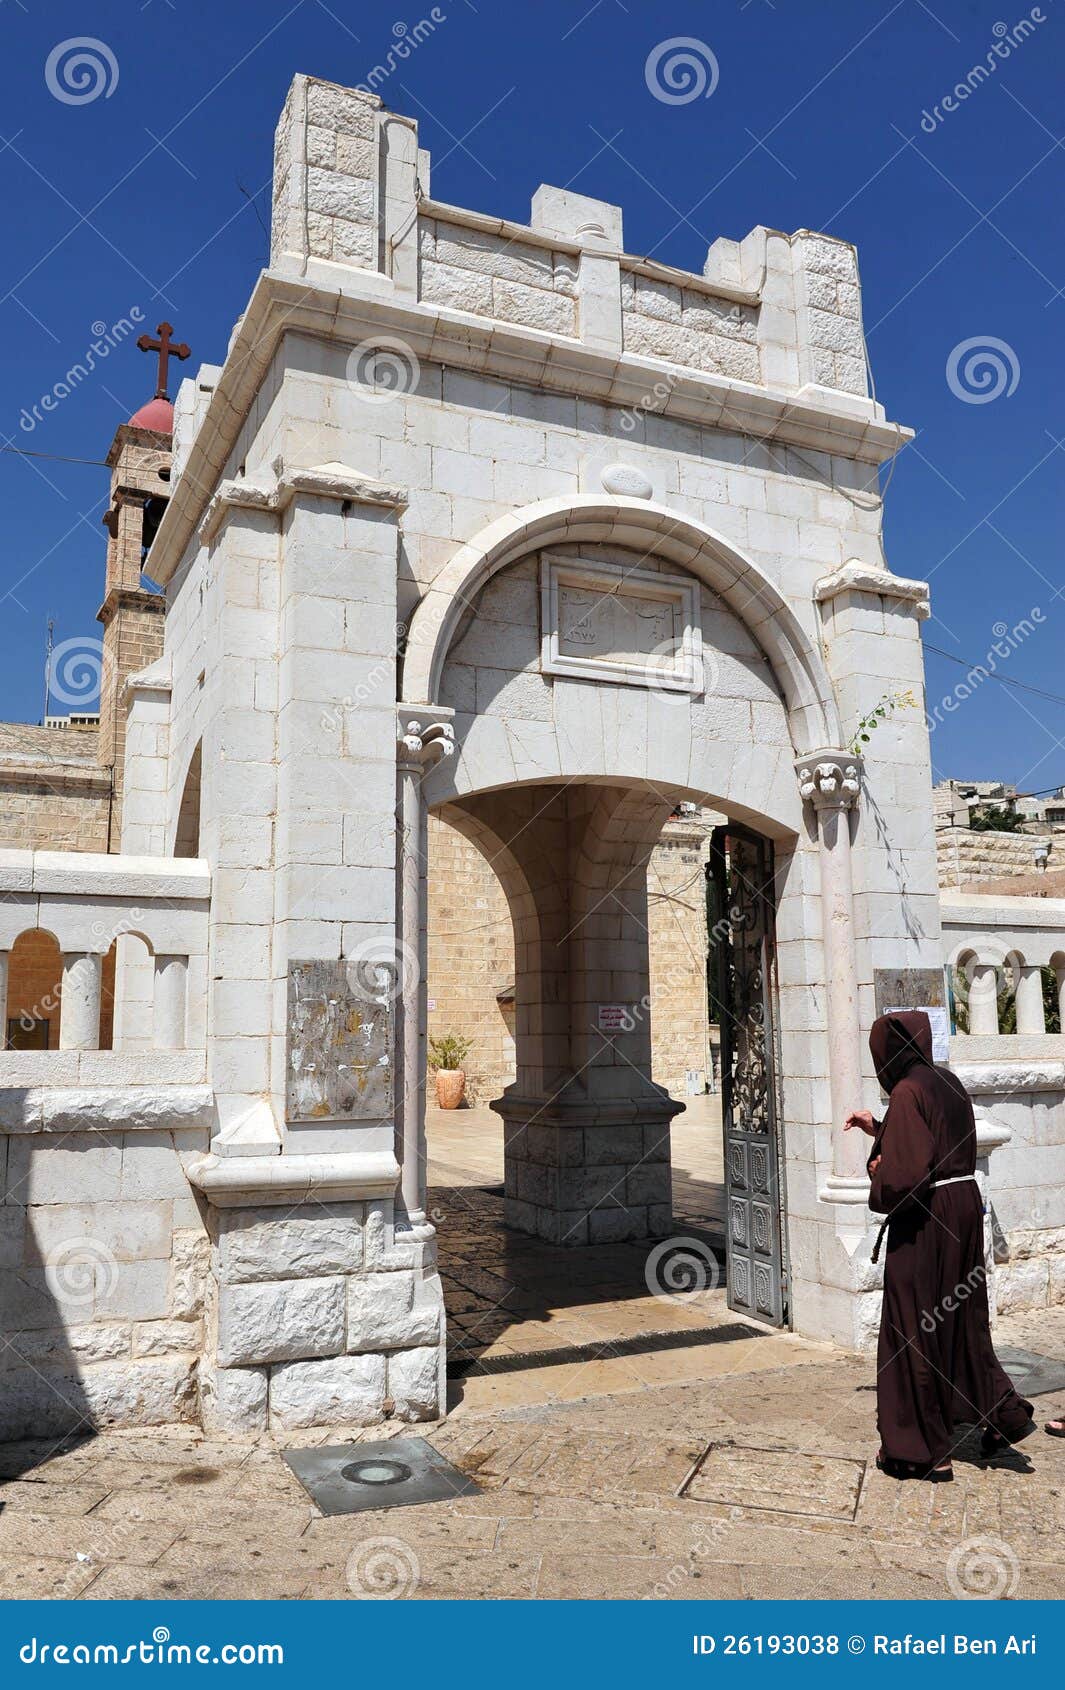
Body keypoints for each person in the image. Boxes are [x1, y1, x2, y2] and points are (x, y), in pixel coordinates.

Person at [845, 1010, 1035, 1481]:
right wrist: (881, 1128)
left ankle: (923, 1451)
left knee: (912, 1327)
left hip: (927, 1216)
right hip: (963, 1205)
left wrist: (878, 1174)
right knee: (961, 1319)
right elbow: (937, 1140)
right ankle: (1004, 1415)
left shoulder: (907, 1091)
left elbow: (907, 1174)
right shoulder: (947, 1081)